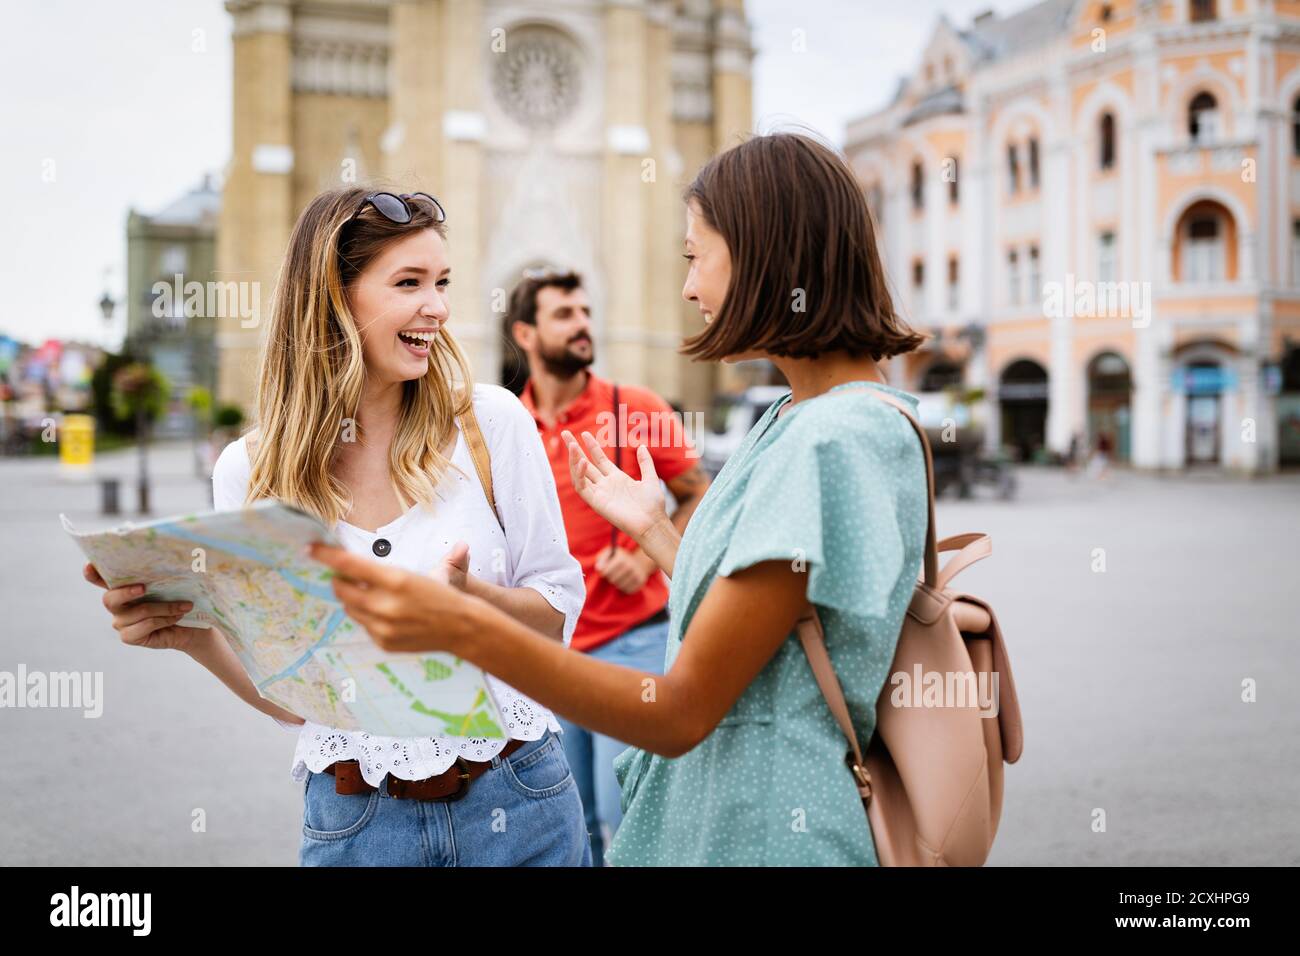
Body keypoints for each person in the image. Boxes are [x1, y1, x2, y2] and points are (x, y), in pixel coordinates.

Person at [310, 132, 931, 865]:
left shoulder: (831, 437)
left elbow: (680, 711)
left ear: (766, 252)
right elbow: (784, 619)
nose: (689, 288)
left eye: (695, 256)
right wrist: (659, 532)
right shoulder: (803, 416)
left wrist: (463, 626)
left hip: (766, 834)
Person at [82, 186, 591, 866]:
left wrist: (476, 606)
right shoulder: (250, 473)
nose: (437, 307)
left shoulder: (490, 424)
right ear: (331, 298)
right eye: (408, 283)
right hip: (357, 825)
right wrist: (190, 636)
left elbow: (556, 616)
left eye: (441, 282)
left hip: (519, 801)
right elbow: (298, 701)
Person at [506, 269, 710, 864]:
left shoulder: (636, 408)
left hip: (632, 645)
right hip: (549, 655)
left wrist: (649, 559)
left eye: (585, 312)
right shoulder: (506, 424)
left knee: (631, 814)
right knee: (568, 821)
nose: (582, 325)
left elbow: (697, 491)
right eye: (564, 314)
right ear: (525, 331)